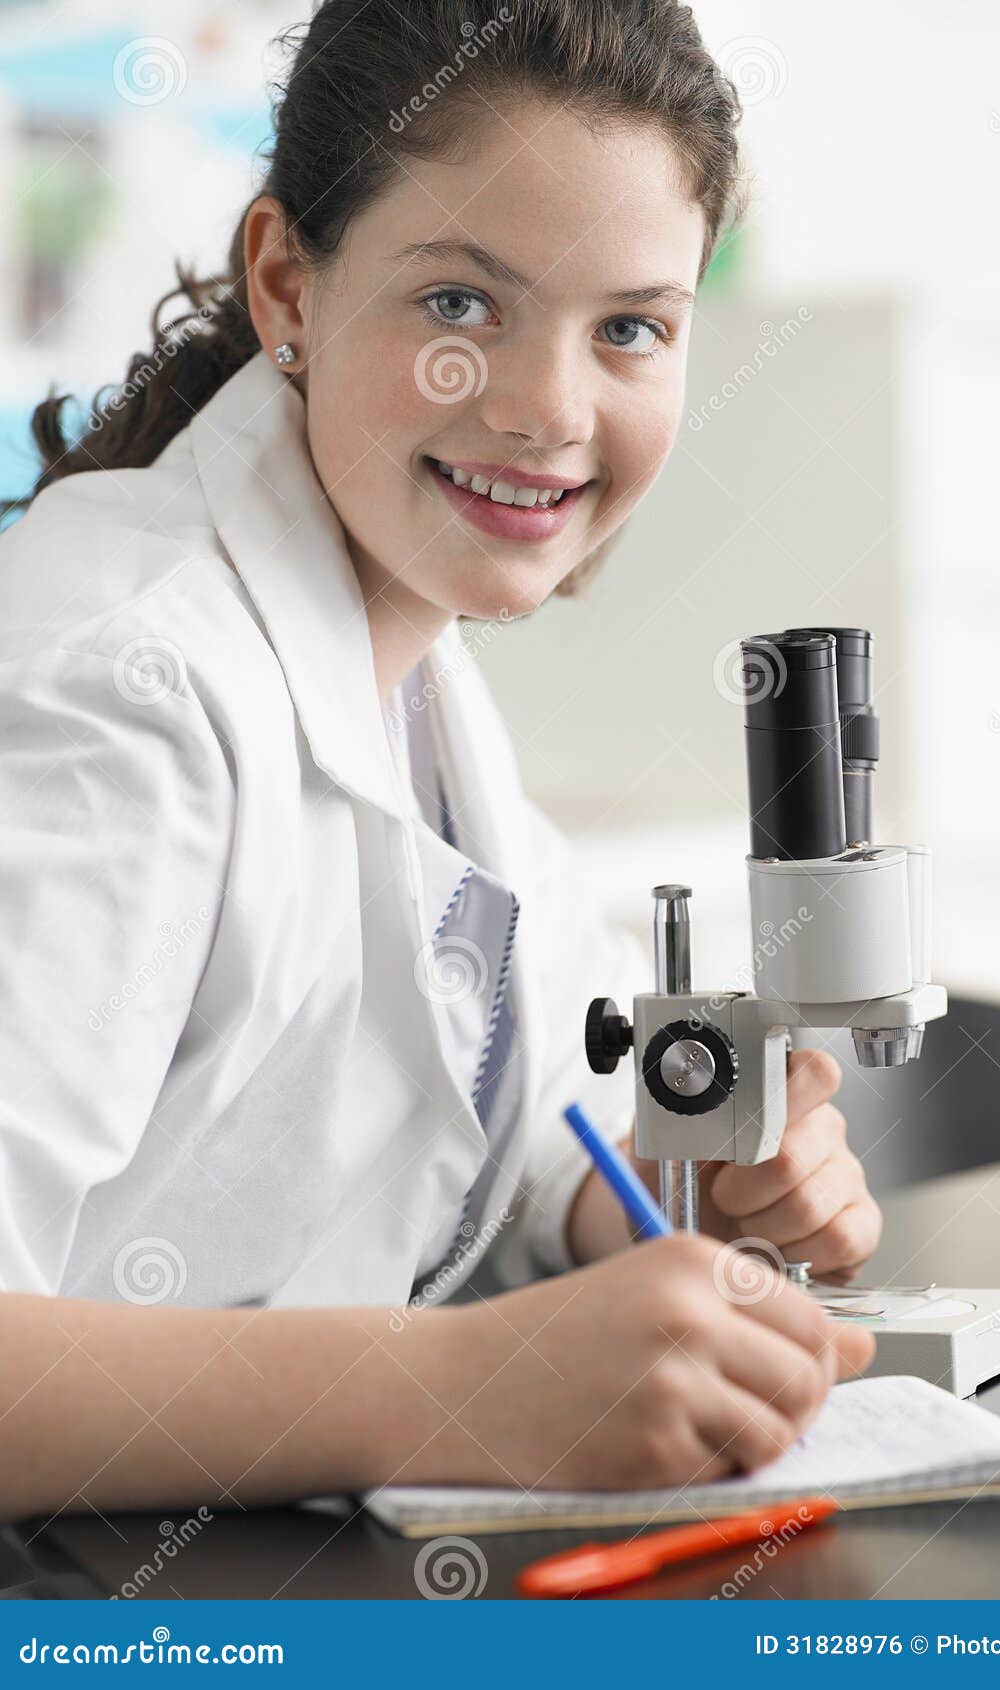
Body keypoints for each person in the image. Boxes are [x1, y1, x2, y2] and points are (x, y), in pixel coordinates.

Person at [0, 0, 879, 1522]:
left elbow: (491, 1159)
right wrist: (467, 1385)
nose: (547, 409)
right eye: (462, 304)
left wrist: (661, 1213)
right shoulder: (118, 689)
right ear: (289, 280)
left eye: (629, 328)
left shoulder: (418, 678)